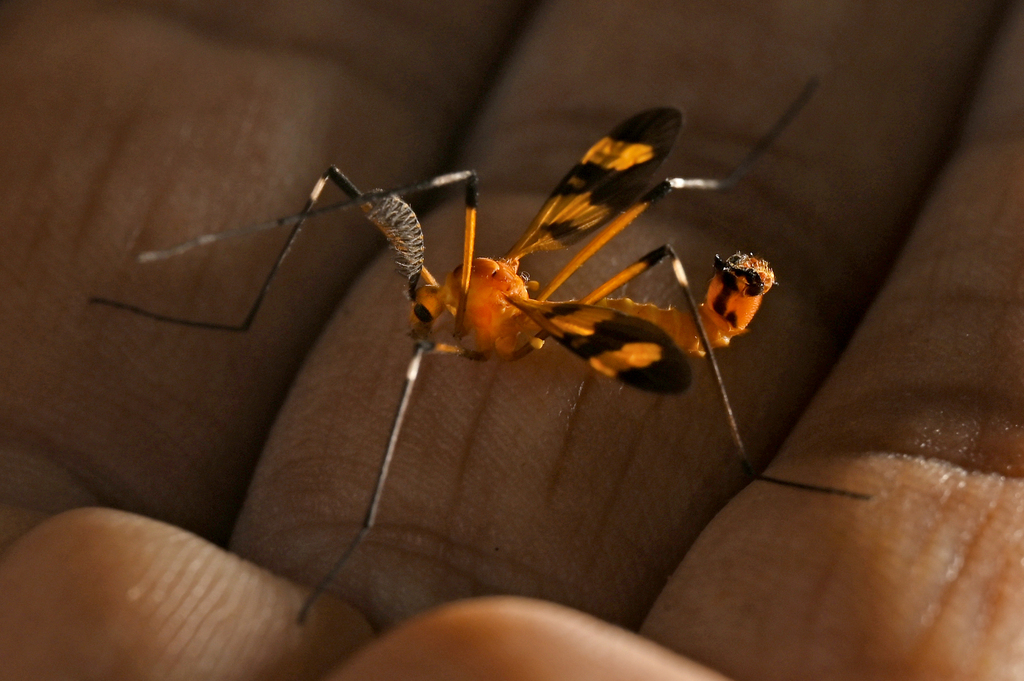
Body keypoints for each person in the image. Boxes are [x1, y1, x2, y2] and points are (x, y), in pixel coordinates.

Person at [0, 1, 1019, 678]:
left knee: (625, 242)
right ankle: (224, 302)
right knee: (363, 197)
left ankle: (744, 385)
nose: (430, 299)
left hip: (572, 322)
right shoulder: (450, 285)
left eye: (441, 292)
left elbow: (527, 323)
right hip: (538, 308)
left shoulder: (500, 322)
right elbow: (402, 230)